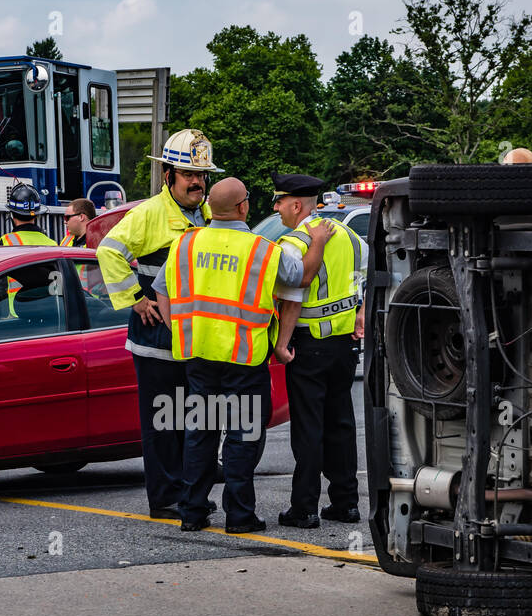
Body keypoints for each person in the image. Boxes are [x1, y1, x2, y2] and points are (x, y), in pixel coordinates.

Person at [154, 177, 334, 533]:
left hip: (198, 355)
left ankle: (192, 512)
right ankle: (239, 516)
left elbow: (161, 291)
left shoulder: (185, 244)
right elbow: (302, 278)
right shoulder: (262, 250)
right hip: (243, 359)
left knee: (200, 431)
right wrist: (318, 241)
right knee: (241, 436)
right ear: (243, 207)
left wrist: (177, 327)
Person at [96, 128, 221, 519]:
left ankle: (188, 494)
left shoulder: (208, 214)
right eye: (190, 175)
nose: (198, 182)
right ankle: (165, 498)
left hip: (192, 337)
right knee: (164, 423)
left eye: (202, 175)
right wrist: (136, 299)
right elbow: (108, 250)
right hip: (156, 340)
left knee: (191, 420)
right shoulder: (150, 213)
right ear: (169, 176)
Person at [270, 172, 369, 529]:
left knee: (308, 429)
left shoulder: (294, 243)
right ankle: (346, 503)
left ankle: (305, 508)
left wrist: (280, 344)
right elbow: (364, 274)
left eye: (279, 201)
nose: (277, 208)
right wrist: (359, 312)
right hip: (344, 347)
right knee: (340, 424)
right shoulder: (347, 233)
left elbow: (292, 297)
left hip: (308, 346)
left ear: (297, 205)